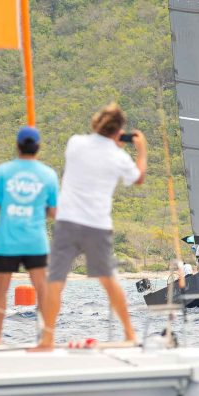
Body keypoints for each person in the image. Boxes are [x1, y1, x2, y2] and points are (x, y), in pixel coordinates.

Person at [39, 103, 146, 348]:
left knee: (56, 280)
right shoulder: (119, 157)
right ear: (119, 131)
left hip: (67, 221)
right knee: (108, 280)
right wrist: (141, 151)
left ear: (97, 123)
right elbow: (138, 178)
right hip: (97, 225)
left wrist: (112, 142)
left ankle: (47, 339)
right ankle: (130, 333)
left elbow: (93, 150)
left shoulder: (75, 143)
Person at [0, 126, 59, 345]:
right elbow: (54, 212)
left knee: (0, 291)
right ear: (38, 148)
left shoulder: (3, 171)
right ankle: (47, 338)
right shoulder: (48, 174)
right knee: (42, 289)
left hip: (6, 241)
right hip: (35, 240)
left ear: (17, 146)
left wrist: (8, 206)